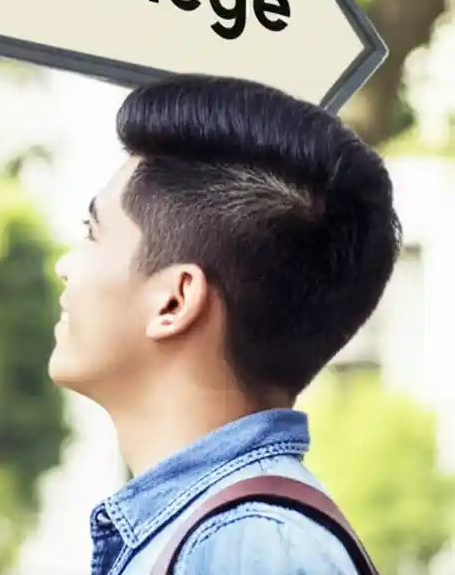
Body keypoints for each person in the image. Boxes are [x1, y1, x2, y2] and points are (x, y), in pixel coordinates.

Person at [49, 74, 401, 574]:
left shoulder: (248, 545)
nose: (66, 265)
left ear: (174, 301)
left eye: (91, 232)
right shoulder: (222, 534)